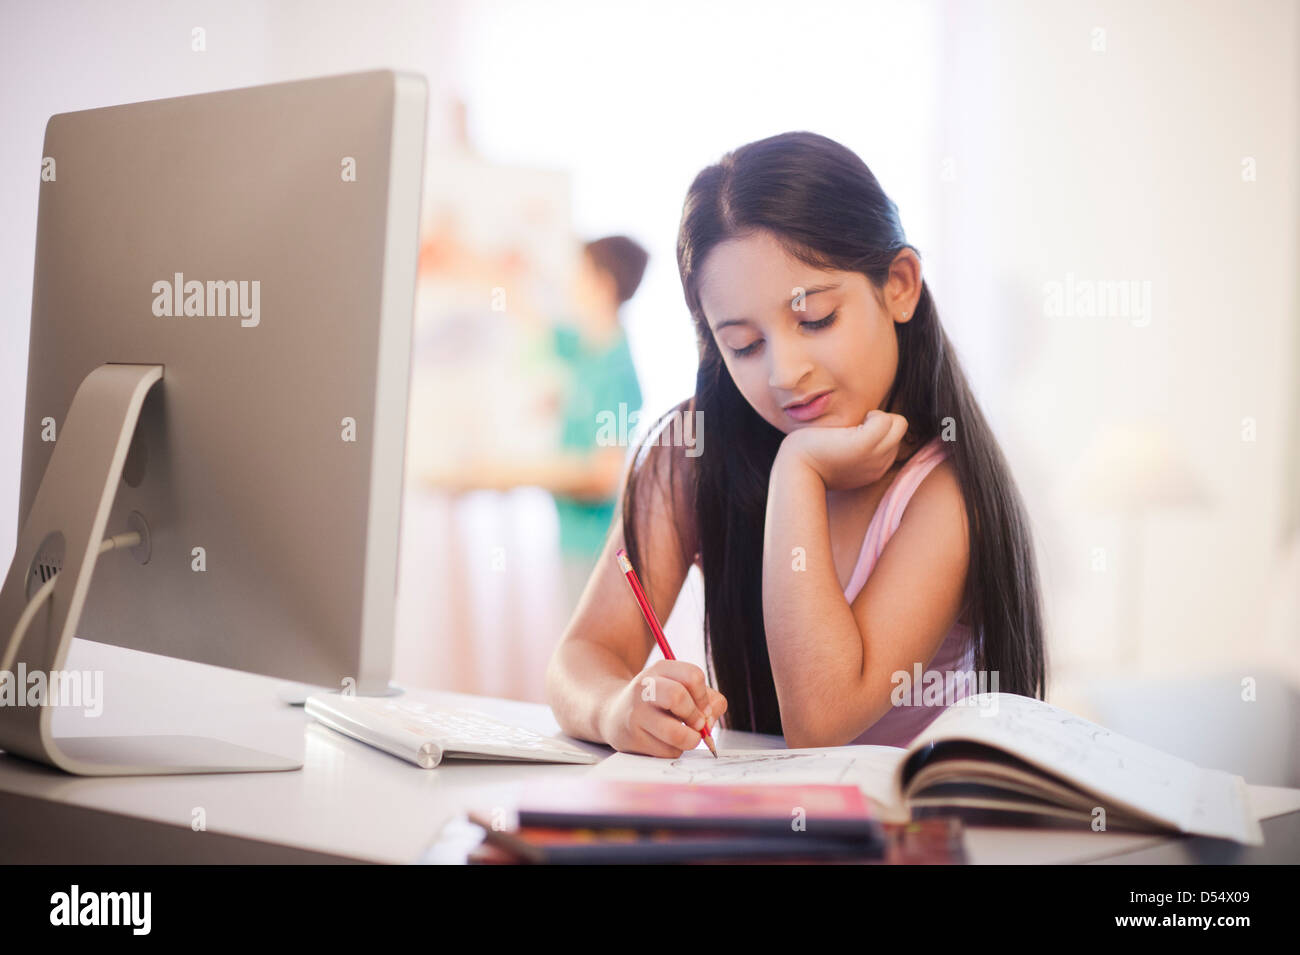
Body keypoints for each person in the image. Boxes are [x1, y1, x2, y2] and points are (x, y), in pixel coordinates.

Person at [545, 131, 1046, 758]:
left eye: (815, 321)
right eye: (744, 345)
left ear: (899, 285)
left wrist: (798, 469)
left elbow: (821, 718)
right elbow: (583, 656)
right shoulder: (691, 456)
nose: (784, 372)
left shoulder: (943, 493)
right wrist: (616, 707)